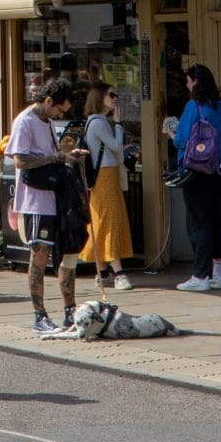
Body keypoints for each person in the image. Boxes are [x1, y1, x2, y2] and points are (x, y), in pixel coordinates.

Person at [8, 76, 87, 334]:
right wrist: (57, 156)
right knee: (39, 254)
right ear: (48, 100)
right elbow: (19, 161)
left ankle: (69, 311)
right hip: (35, 200)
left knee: (66, 251)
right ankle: (39, 315)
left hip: (53, 198)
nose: (59, 114)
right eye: (59, 109)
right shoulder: (25, 121)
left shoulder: (48, 121)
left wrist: (66, 157)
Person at [172, 62, 221, 292]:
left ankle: (200, 275)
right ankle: (219, 273)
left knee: (198, 221)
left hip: (197, 171)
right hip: (218, 171)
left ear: (195, 82)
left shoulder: (193, 106)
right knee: (218, 219)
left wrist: (172, 135)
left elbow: (182, 139)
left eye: (188, 81)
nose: (187, 85)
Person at [80, 82, 135, 292]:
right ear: (100, 97)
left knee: (101, 221)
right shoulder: (100, 123)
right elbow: (116, 146)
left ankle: (102, 271)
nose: (115, 98)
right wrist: (119, 124)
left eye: (116, 94)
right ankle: (118, 272)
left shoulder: (95, 122)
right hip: (105, 177)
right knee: (109, 221)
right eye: (111, 95)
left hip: (105, 176)